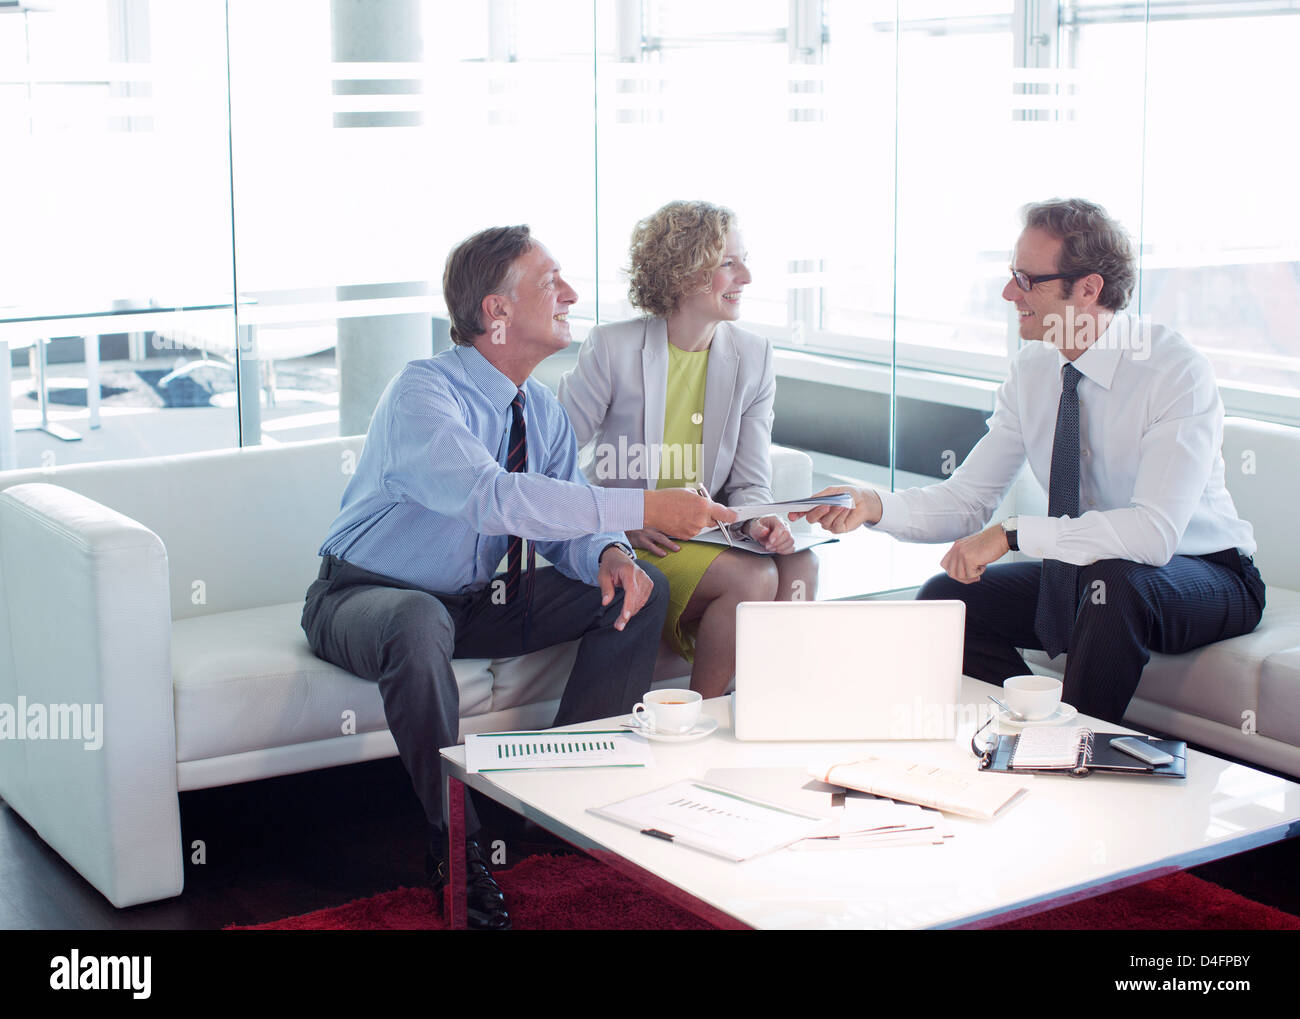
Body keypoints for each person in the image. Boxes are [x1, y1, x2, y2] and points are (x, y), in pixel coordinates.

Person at [301, 225, 733, 930]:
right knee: (418, 620)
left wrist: (608, 555)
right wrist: (643, 505)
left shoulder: (540, 410)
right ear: (496, 312)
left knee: (636, 592)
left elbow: (562, 520)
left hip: (471, 602)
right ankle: (456, 847)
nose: (570, 294)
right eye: (550, 281)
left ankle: (559, 801)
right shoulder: (424, 394)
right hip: (363, 596)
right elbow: (495, 497)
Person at [797, 198, 1265, 725]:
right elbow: (968, 500)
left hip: (1208, 573)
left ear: (1088, 289)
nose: (1007, 293)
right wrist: (872, 504)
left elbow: (1153, 535)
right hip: (1095, 571)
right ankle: (1022, 726)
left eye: (1026, 279)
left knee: (1114, 583)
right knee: (947, 599)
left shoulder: (1172, 371)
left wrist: (1014, 533)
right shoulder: (1034, 370)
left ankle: (1066, 753)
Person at [559, 201, 819, 698]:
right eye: (728, 263)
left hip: (709, 533)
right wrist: (625, 516)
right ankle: (698, 719)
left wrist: (762, 520)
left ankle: (771, 711)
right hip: (635, 538)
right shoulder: (611, 348)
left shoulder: (754, 355)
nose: (745, 275)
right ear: (683, 271)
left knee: (802, 565)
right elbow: (553, 461)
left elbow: (748, 482)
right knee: (752, 579)